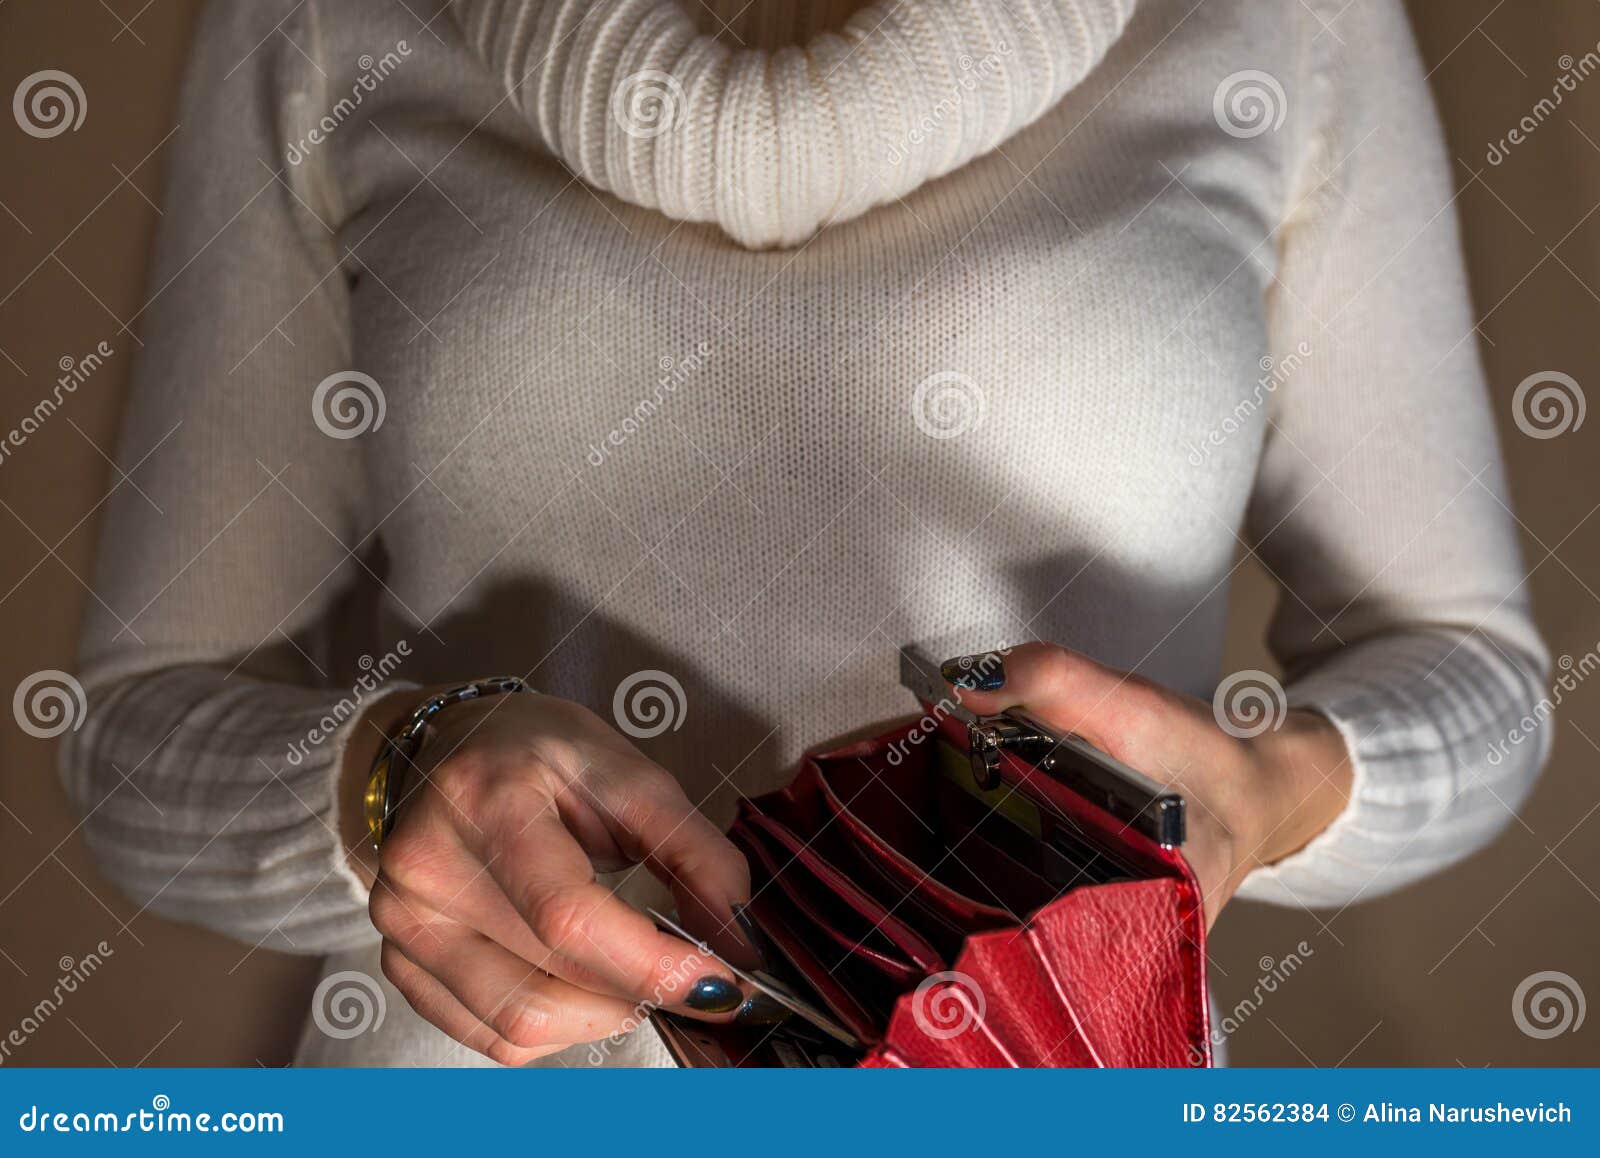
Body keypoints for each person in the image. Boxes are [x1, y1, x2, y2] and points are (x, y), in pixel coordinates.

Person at [62, 0, 1549, 1067]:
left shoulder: (1286, 25)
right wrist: (393, 780)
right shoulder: (317, 24)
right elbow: (131, 734)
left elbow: (1469, 665)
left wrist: (1260, 797)